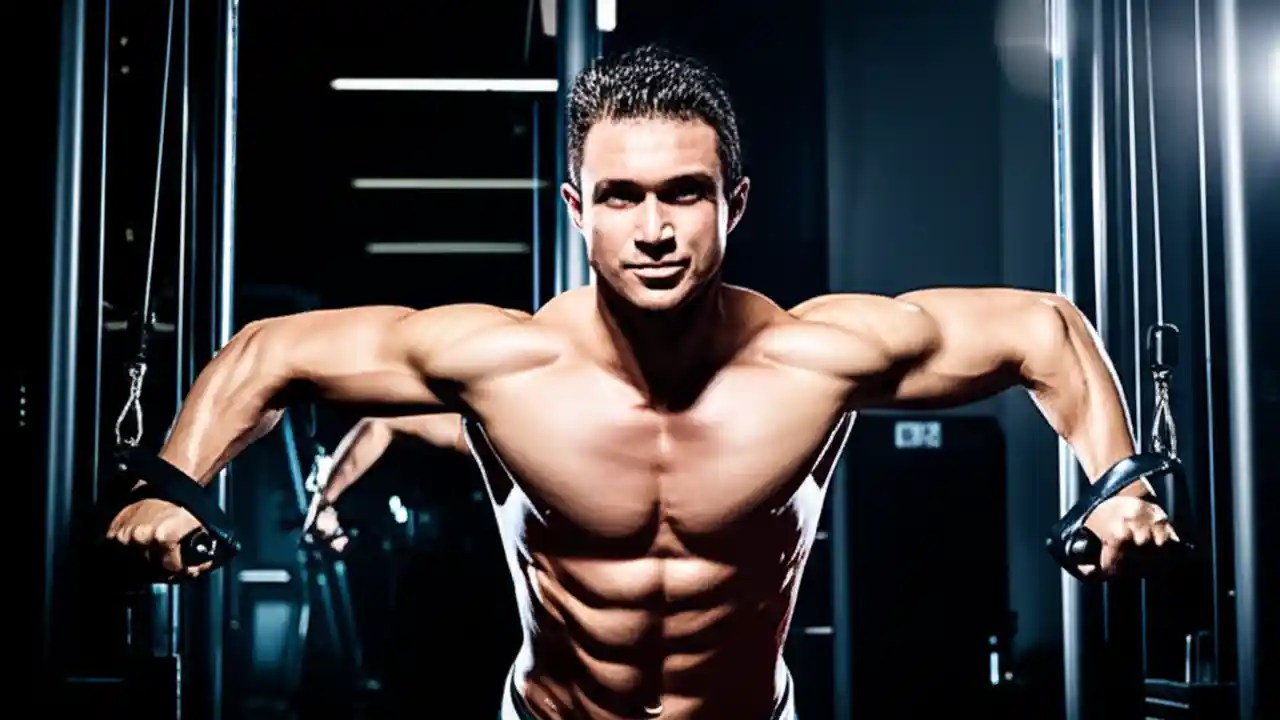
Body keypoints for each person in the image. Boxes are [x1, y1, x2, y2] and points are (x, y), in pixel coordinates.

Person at [106, 44, 1181, 719]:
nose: (655, 230)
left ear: (735, 203)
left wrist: (1119, 480)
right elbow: (269, 351)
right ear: (575, 210)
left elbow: (1041, 329)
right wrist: (173, 480)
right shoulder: (506, 365)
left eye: (684, 194)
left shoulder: (813, 362)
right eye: (620, 197)